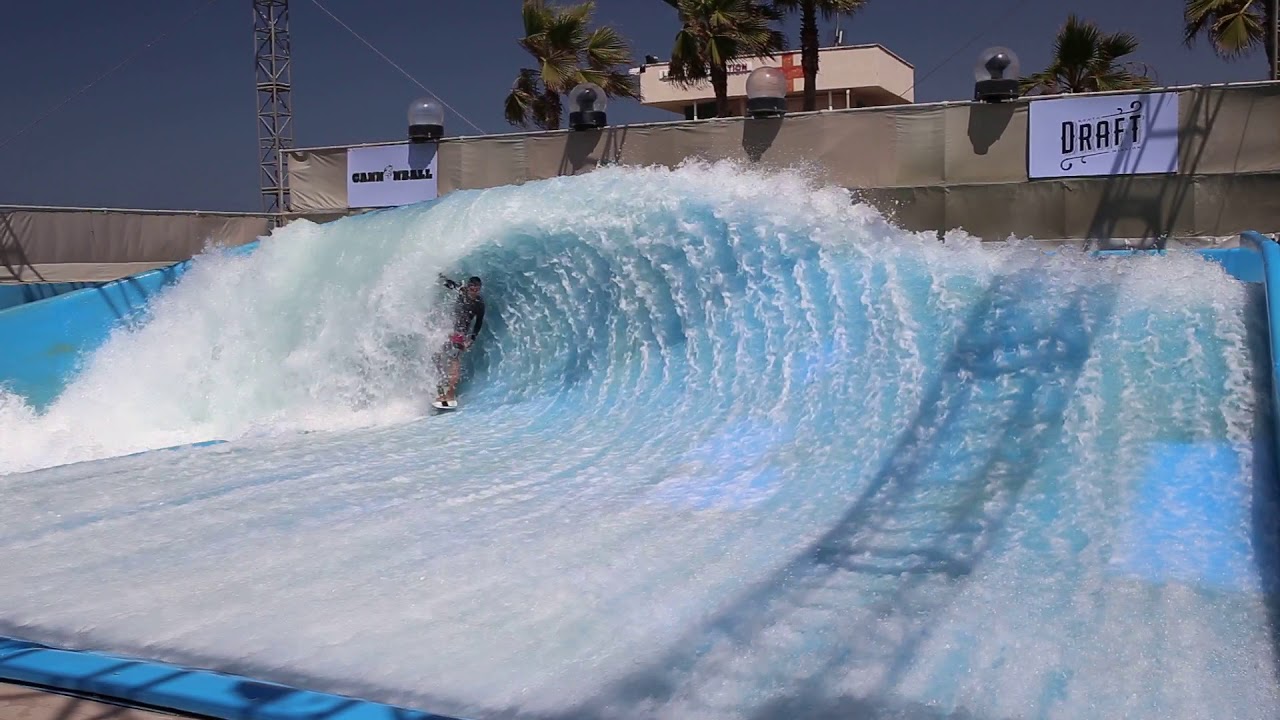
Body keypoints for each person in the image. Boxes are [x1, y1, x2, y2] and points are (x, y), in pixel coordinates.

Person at [433, 273, 485, 407]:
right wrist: (440, 278)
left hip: (459, 335)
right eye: (472, 287)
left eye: (477, 288)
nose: (474, 290)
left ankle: (449, 396)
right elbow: (451, 285)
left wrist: (471, 339)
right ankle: (441, 394)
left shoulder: (479, 304)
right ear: (468, 287)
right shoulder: (462, 292)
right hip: (448, 331)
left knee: (453, 363)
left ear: (479, 288)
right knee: (437, 359)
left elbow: (478, 324)